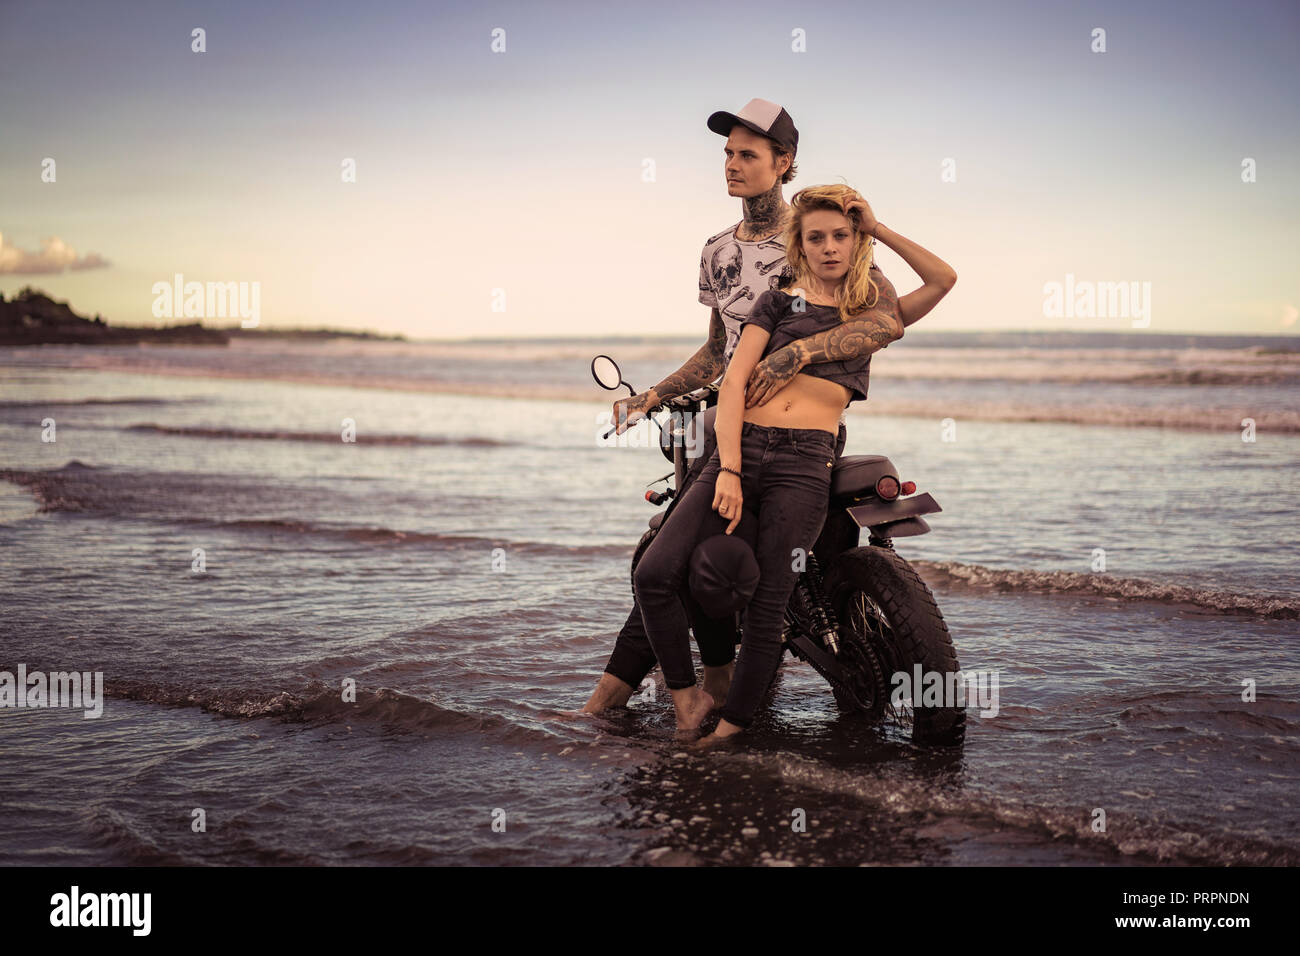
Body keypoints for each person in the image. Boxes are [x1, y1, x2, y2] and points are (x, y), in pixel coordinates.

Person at [582, 98, 906, 715]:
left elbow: (884, 313)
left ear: (783, 163)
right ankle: (659, 692)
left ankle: (646, 695)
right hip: (725, 418)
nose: (731, 164)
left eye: (747, 154)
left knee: (678, 560)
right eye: (727, 153)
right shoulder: (716, 250)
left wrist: (799, 356)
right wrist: (651, 395)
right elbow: (715, 353)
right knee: (683, 556)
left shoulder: (815, 238)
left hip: (791, 426)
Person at [632, 184, 957, 741]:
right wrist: (729, 467)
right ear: (799, 245)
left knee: (769, 599)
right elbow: (732, 382)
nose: (829, 247)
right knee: (655, 573)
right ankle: (688, 700)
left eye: (842, 236)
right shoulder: (777, 301)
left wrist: (878, 227)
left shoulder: (870, 308)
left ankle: (731, 727)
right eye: (816, 238)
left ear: (856, 242)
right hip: (744, 446)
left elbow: (943, 280)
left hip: (806, 460)